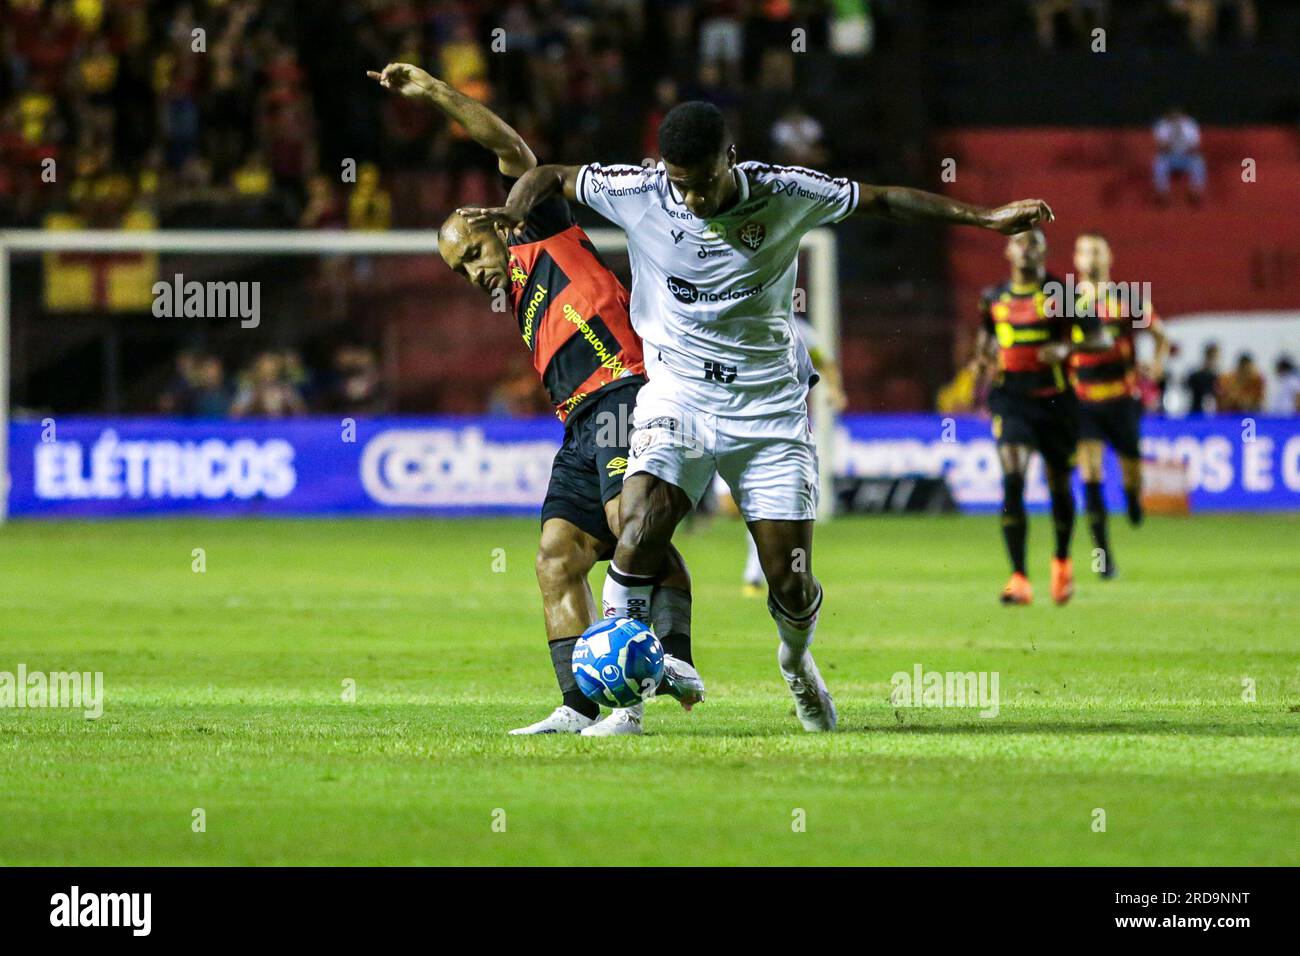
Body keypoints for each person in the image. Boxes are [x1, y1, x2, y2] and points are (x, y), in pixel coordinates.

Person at [464, 100, 1053, 732]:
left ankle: (796, 661)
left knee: (788, 582)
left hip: (768, 412)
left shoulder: (785, 191)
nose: (688, 198)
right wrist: (514, 210)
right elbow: (550, 173)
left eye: (701, 181)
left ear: (731, 160)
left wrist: (986, 218)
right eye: (678, 182)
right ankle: (629, 699)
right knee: (636, 525)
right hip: (677, 395)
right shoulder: (641, 190)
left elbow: (883, 199)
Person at [368, 62, 703, 737]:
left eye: (472, 255)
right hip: (577, 421)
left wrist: (433, 92)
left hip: (624, 391)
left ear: (494, 226)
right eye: (460, 269)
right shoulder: (516, 293)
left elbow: (512, 152)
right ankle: (577, 707)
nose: (472, 273)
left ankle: (673, 659)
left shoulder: (539, 231)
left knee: (629, 522)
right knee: (557, 554)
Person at [971, 229, 1110, 606]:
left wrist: (1067, 346)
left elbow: (1101, 339)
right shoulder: (993, 297)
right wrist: (981, 364)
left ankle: (1061, 561)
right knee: (1012, 476)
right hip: (1011, 399)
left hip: (1056, 403)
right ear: (1008, 250)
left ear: (1046, 252)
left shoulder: (1061, 295)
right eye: (1021, 242)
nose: (1028, 250)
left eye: (1036, 244)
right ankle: (1018, 578)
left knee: (1060, 487)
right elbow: (985, 338)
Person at [1068, 232, 1170, 579]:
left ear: (1109, 256)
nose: (1090, 258)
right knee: (1091, 475)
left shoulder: (1126, 299)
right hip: (1082, 401)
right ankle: (1103, 556)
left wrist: (1155, 368)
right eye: (1084, 251)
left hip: (1122, 400)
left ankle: (1133, 498)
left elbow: (1161, 337)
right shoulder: (1065, 302)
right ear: (1075, 259)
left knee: (1131, 473)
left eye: (1096, 251)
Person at [1152, 106, 1206, 204]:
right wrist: (1172, 136)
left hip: (1186, 157)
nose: (1175, 118)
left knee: (1198, 161)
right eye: (1173, 115)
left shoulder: (1190, 125)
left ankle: (1196, 191)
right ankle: (1162, 193)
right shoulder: (1162, 125)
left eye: (1178, 115)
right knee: (1159, 162)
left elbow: (1195, 146)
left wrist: (1185, 146)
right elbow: (1161, 147)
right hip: (1169, 157)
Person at [1186, 342, 1220, 415]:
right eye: (1211, 356)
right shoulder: (1195, 375)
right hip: (1196, 411)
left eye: (1215, 356)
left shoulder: (1220, 375)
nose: (1213, 359)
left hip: (1217, 413)